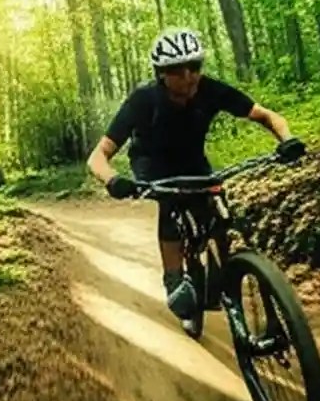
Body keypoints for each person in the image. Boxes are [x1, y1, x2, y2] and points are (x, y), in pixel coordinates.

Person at [86, 27, 306, 333]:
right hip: (153, 164)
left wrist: (287, 140)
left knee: (217, 208)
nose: (188, 76)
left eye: (195, 67)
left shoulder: (210, 89)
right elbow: (98, 156)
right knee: (172, 205)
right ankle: (174, 278)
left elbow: (268, 116)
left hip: (192, 159)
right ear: (161, 74)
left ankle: (225, 278)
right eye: (177, 70)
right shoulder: (143, 100)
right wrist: (112, 180)